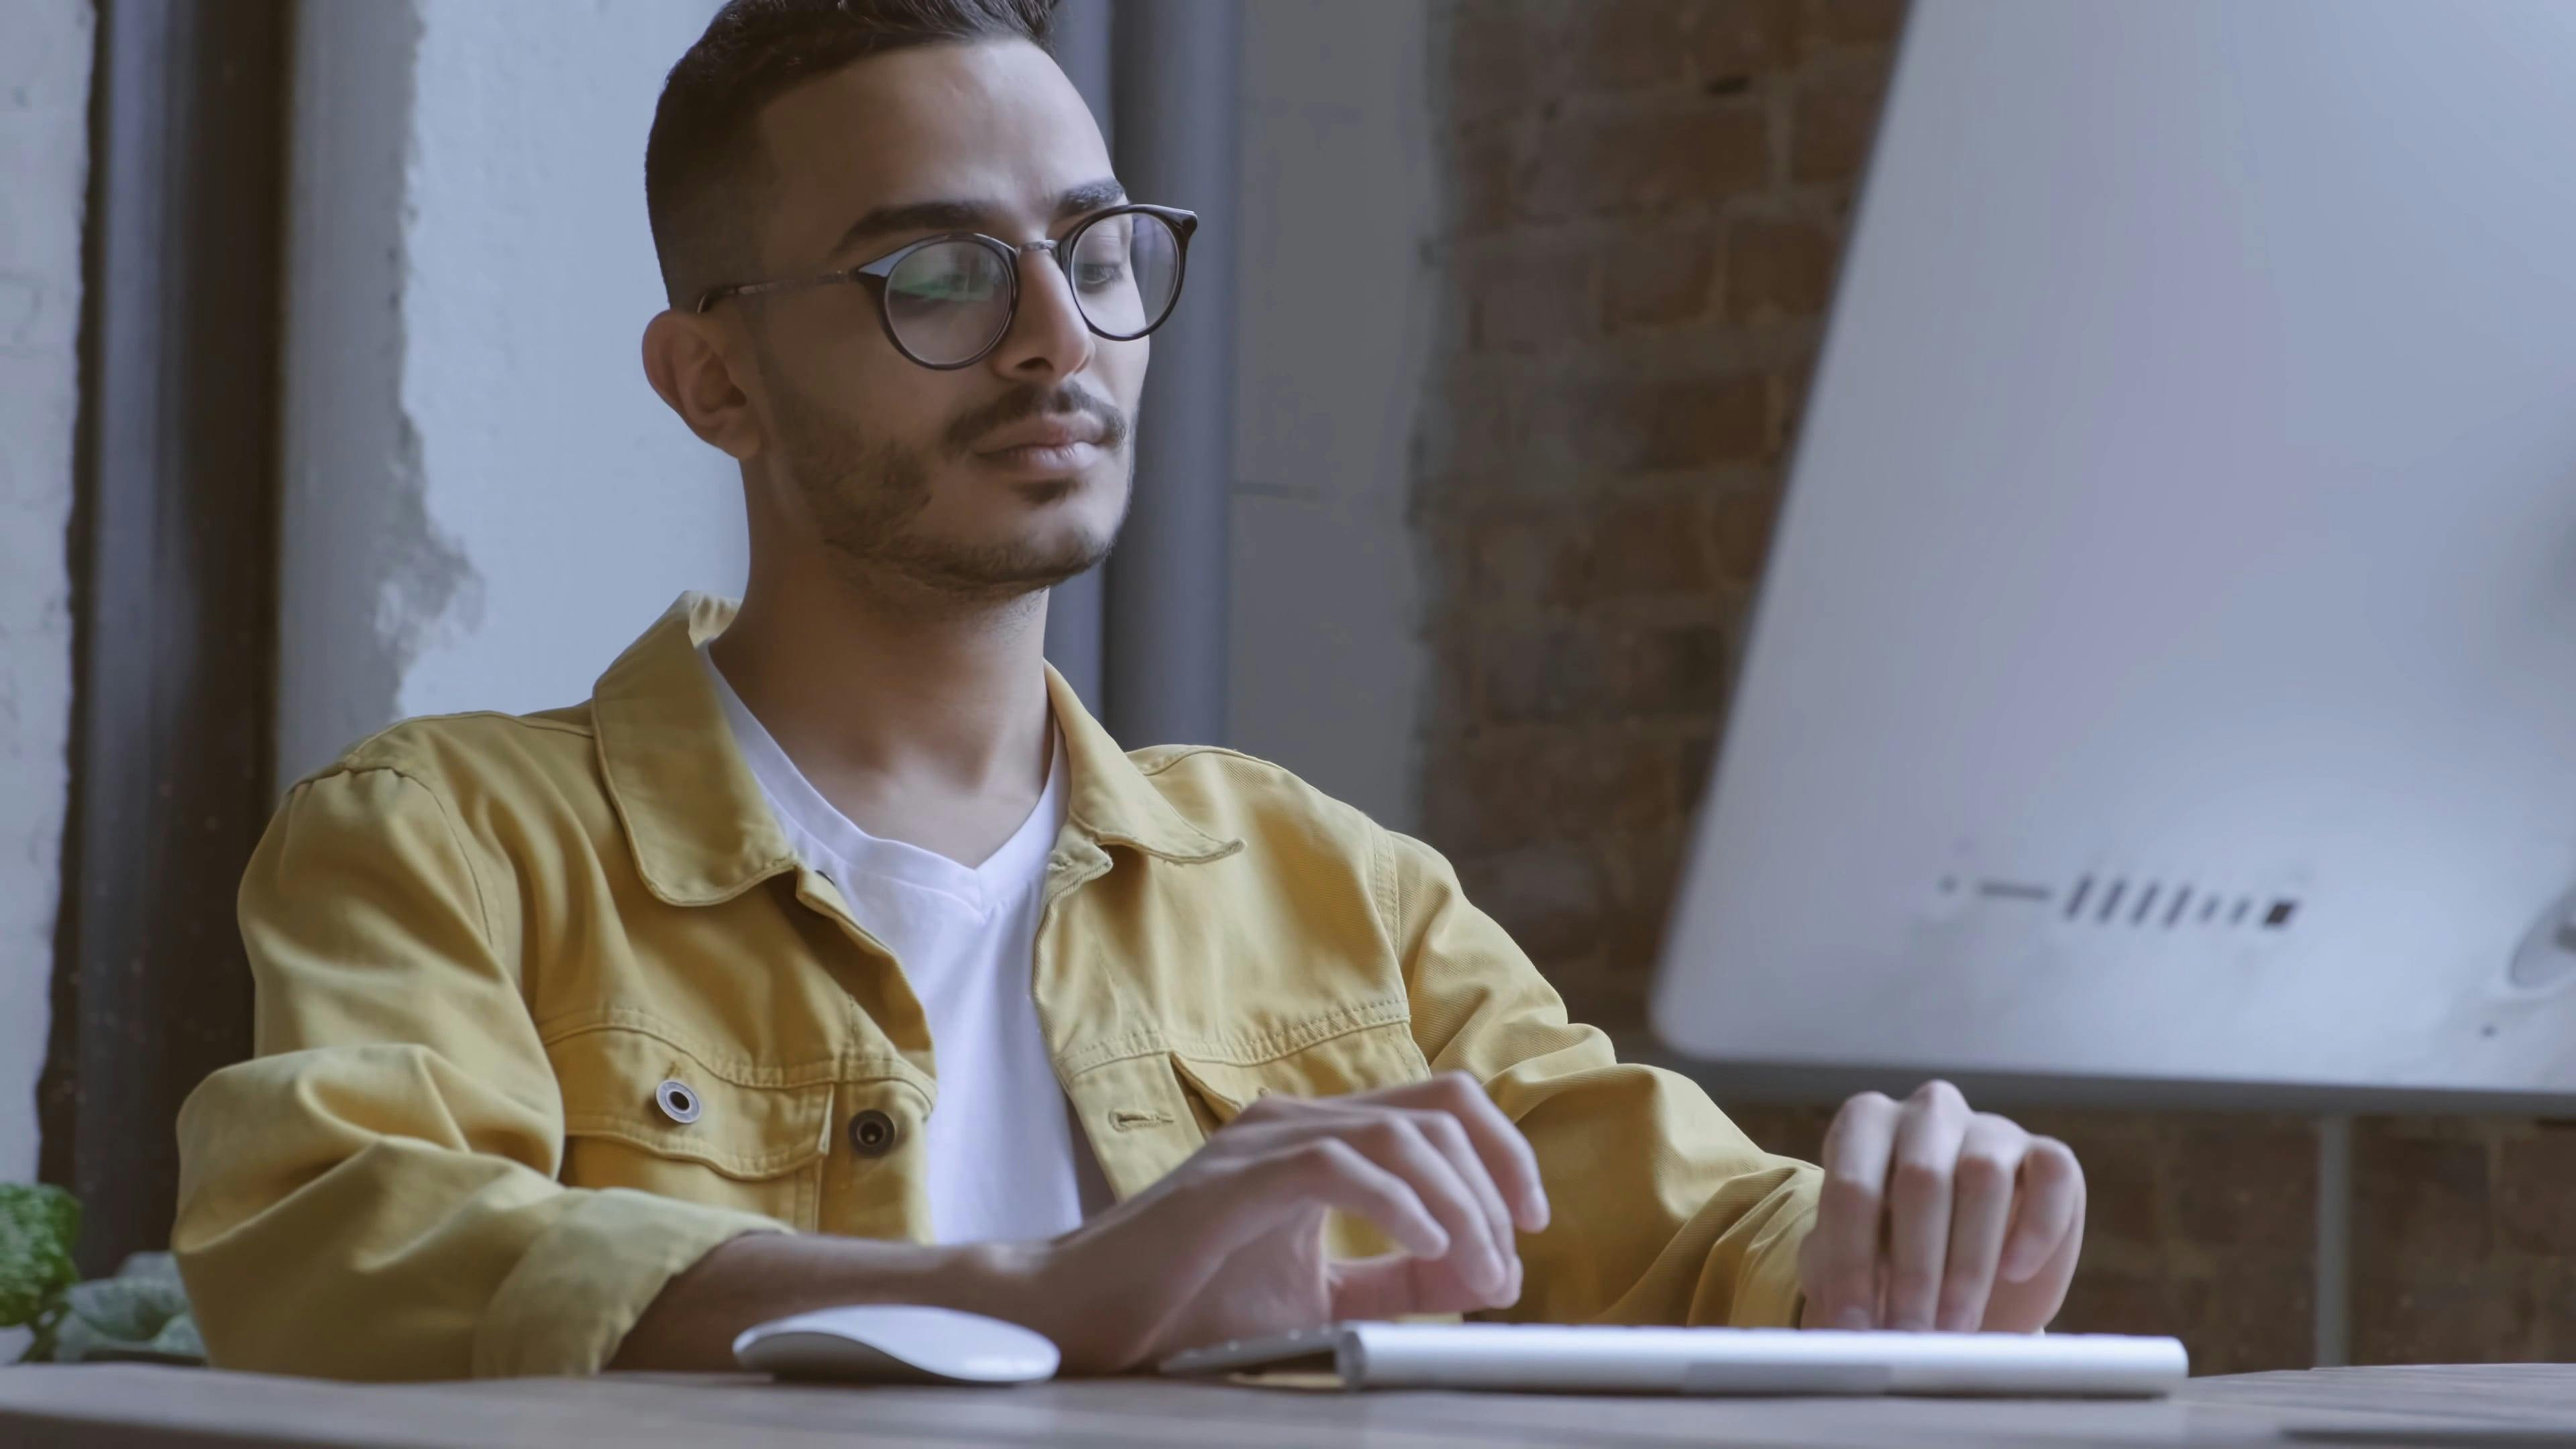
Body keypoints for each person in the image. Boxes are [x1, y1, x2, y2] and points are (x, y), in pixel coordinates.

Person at [171, 0, 2086, 1381]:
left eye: (1096, 250)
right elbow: (334, 1241)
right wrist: (1034, 1294)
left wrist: (1902, 1229)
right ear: (714, 384)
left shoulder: (1327, 886)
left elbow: (1685, 1231)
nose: (1056, 337)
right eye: (935, 273)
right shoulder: (455, 839)